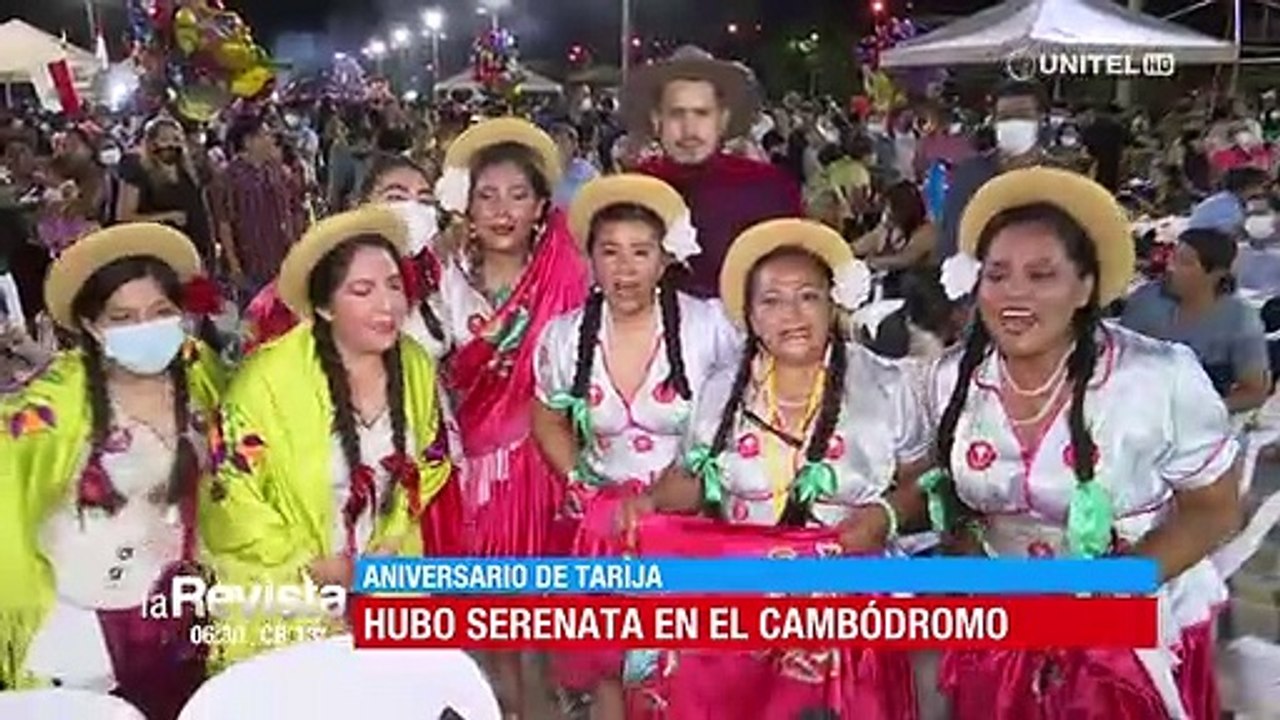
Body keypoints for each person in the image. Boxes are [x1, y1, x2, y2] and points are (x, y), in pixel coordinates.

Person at [928, 167, 1242, 719]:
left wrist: (1110, 593)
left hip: (1130, 632)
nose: (1014, 293)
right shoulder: (951, 378)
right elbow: (949, 502)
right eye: (997, 274)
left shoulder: (1157, 377)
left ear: (1085, 287)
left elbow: (1214, 510)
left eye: (1041, 274)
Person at [619, 218, 930, 719]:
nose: (792, 314)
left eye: (808, 296)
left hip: (850, 612)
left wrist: (886, 516)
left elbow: (923, 479)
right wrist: (652, 502)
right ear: (750, 316)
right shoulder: (721, 390)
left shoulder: (887, 384)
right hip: (747, 612)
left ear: (833, 304)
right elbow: (696, 482)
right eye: (772, 301)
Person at [199, 206, 455, 671]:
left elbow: (432, 458)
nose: (388, 305)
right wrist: (310, 565)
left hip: (385, 572)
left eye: (394, 285)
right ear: (323, 307)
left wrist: (392, 536)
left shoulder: (414, 363)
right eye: (363, 290)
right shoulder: (265, 380)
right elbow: (229, 495)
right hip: (286, 585)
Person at [533, 174, 739, 718]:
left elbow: (740, 409)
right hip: (603, 527)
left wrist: (694, 484)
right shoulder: (564, 336)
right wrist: (581, 484)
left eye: (640, 252)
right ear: (591, 261)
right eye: (610, 252)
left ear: (665, 259)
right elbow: (547, 416)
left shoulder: (708, 327)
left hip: (689, 523)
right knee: (608, 667)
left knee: (686, 668)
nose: (625, 269)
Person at [0, 223, 225, 719]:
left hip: (189, 619)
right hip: (84, 636)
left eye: (160, 313)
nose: (146, 328)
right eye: (123, 318)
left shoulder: (201, 373)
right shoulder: (51, 404)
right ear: (92, 325)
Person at [432, 117, 590, 716]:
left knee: (548, 625)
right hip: (473, 466)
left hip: (549, 464)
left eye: (518, 196)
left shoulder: (568, 274)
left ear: (542, 206)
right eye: (487, 196)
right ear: (467, 208)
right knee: (489, 624)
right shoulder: (442, 280)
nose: (502, 211)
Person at [623, 46, 803, 300]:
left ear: (723, 119)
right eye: (677, 114)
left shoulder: (768, 189)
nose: (689, 130)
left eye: (702, 113)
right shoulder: (631, 192)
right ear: (656, 120)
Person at [1122, 228, 1271, 413]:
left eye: (1184, 262)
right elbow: (1118, 363)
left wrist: (1205, 411)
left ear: (1216, 274)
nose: (1170, 268)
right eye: (1172, 258)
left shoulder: (1239, 318)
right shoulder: (1146, 301)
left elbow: (1254, 392)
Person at [938, 80, 1052, 262]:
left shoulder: (1059, 178)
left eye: (1022, 115)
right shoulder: (970, 174)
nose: (1014, 123)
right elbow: (952, 242)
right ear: (994, 121)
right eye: (1005, 117)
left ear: (1041, 119)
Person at [115, 117, 215, 266]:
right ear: (152, 143)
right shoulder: (138, 171)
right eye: (164, 139)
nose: (171, 144)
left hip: (195, 250)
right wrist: (168, 216)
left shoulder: (188, 172)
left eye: (176, 139)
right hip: (160, 253)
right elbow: (124, 216)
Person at [550, 123, 599, 211]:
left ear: (574, 145)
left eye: (563, 142)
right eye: (555, 142)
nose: (558, 147)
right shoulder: (545, 171)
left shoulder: (588, 172)